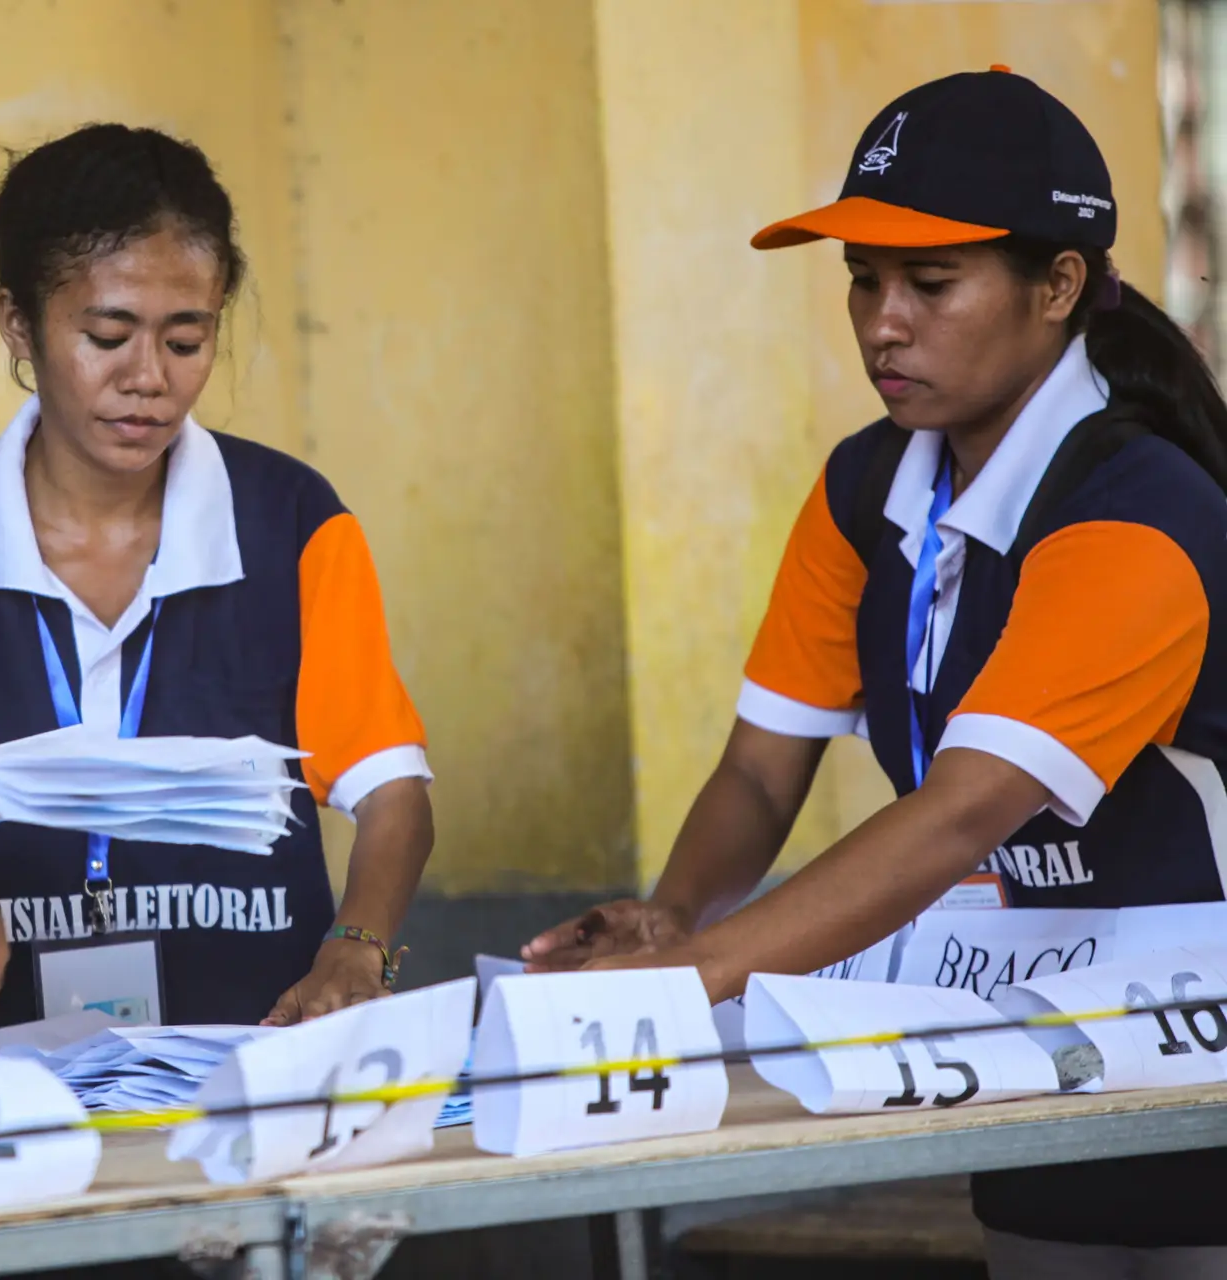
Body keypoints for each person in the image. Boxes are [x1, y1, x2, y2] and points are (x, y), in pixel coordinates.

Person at [522, 67, 1227, 1274]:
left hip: (1199, 1063)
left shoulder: (1137, 511)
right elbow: (758, 766)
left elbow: (959, 814)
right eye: (862, 279)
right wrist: (673, 910)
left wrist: (692, 977)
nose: (881, 321)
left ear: (1059, 284)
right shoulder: (872, 487)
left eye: (930, 282)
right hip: (1034, 1045)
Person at [0, 123, 435, 1029]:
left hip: (257, 1065)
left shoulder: (293, 524)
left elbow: (393, 795)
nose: (148, 378)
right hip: (9, 1083)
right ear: (15, 319)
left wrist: (359, 944)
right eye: (107, 335)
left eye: (187, 342)